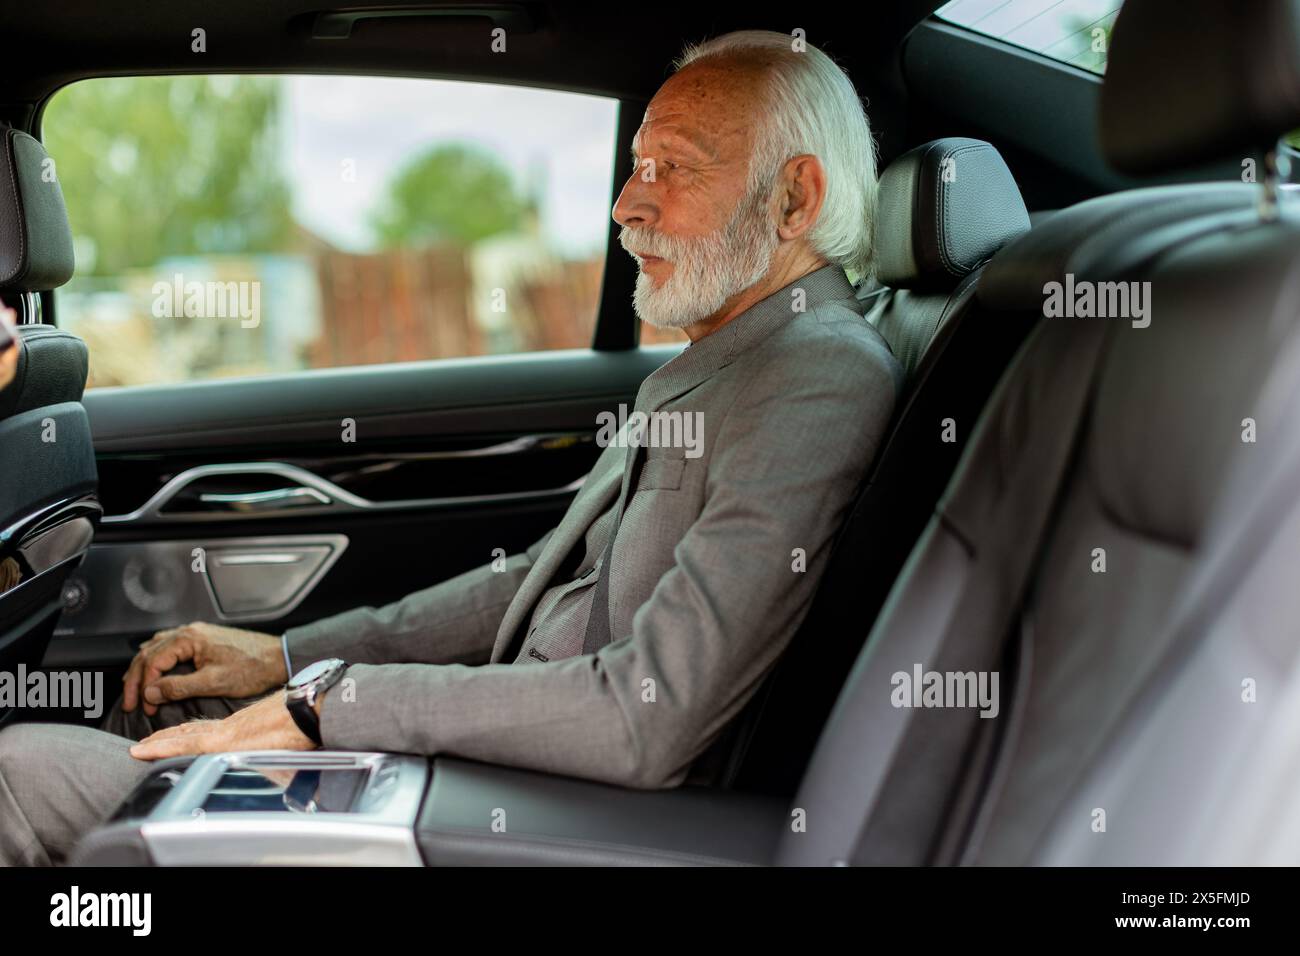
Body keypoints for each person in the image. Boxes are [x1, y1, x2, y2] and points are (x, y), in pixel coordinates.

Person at [0, 29, 902, 866]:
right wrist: (282, 661)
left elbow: (645, 716)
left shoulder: (816, 376)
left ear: (795, 199)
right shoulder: (733, 360)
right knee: (181, 700)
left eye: (676, 168)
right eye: (636, 165)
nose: (629, 203)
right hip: (504, 764)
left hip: (546, 817)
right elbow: (533, 580)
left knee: (16, 770)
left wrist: (330, 702)